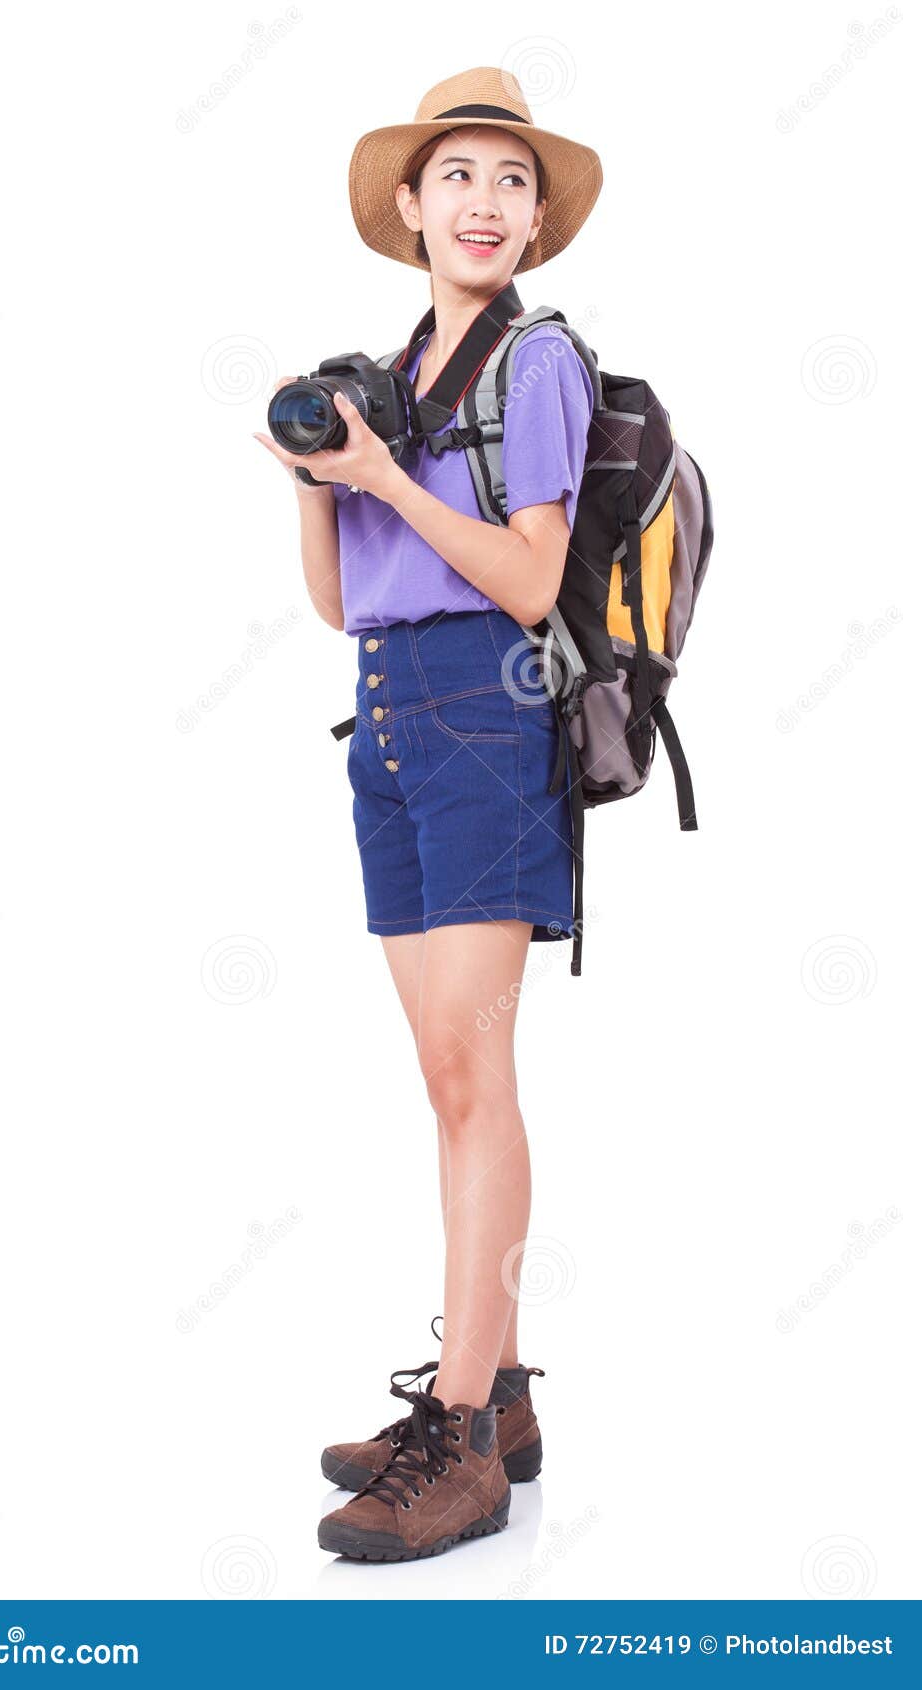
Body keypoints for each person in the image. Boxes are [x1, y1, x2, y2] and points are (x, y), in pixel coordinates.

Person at [253, 66, 601, 1563]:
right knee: (443, 1080)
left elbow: (530, 581)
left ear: (535, 217)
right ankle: (498, 1388)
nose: (483, 202)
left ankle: (461, 1446)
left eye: (511, 182)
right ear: (408, 207)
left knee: (476, 1080)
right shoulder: (389, 366)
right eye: (457, 175)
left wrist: (386, 468)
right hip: (389, 712)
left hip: (486, 709)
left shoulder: (538, 365)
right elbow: (341, 603)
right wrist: (315, 479)